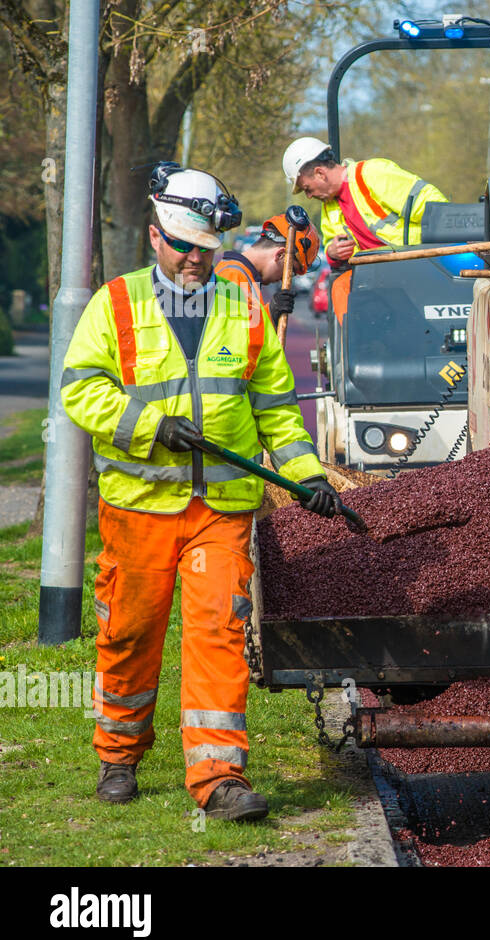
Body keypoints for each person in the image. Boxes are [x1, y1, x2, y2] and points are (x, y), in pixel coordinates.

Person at [60, 164, 343, 819]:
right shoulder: (116, 303)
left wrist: (308, 478)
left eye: (205, 249)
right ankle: (117, 754)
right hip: (137, 508)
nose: (194, 259)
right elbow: (80, 389)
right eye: (183, 245)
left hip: (222, 508)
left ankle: (219, 778)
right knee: (129, 635)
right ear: (155, 237)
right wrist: (153, 426)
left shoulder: (241, 305)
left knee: (219, 631)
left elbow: (275, 406)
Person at [281, 136, 447, 319]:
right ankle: (356, 345)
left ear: (320, 173)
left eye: (307, 188)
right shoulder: (329, 208)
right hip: (377, 280)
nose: (309, 196)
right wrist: (333, 253)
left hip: (419, 264)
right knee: (341, 285)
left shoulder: (372, 174)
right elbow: (331, 248)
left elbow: (436, 209)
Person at [215, 213, 321, 329]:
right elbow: (236, 337)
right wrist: (272, 312)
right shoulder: (233, 276)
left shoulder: (243, 275)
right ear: (280, 254)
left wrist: (270, 311)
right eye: (292, 270)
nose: (284, 278)